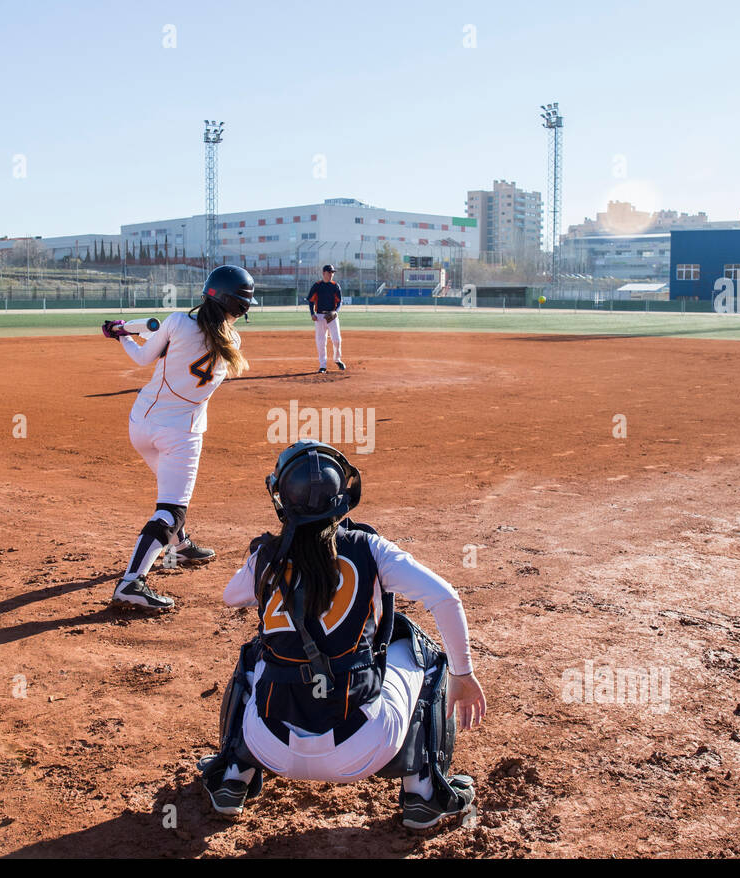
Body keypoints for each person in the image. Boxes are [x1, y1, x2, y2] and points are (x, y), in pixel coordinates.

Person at [198, 440, 486, 830]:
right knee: (428, 655)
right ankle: (424, 792)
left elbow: (231, 596)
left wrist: (271, 563)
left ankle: (232, 777)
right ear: (344, 497)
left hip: (270, 744)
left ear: (281, 497)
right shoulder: (370, 548)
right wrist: (463, 675)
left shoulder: (267, 555)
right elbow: (446, 598)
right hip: (361, 746)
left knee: (254, 655)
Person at [101, 265, 257, 610]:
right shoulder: (233, 341)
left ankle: (180, 547)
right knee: (171, 509)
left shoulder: (176, 321)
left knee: (170, 493)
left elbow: (144, 357)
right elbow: (190, 343)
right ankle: (131, 583)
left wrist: (122, 334)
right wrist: (128, 333)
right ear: (240, 307)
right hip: (181, 433)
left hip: (140, 423)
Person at [306, 264, 344, 374]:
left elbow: (339, 302)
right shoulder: (317, 285)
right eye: (329, 272)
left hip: (331, 316)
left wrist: (336, 312)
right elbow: (311, 300)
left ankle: (337, 359)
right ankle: (323, 365)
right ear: (324, 273)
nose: (331, 274)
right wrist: (312, 313)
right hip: (319, 316)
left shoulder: (335, 286)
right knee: (321, 341)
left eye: (332, 272)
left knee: (337, 340)